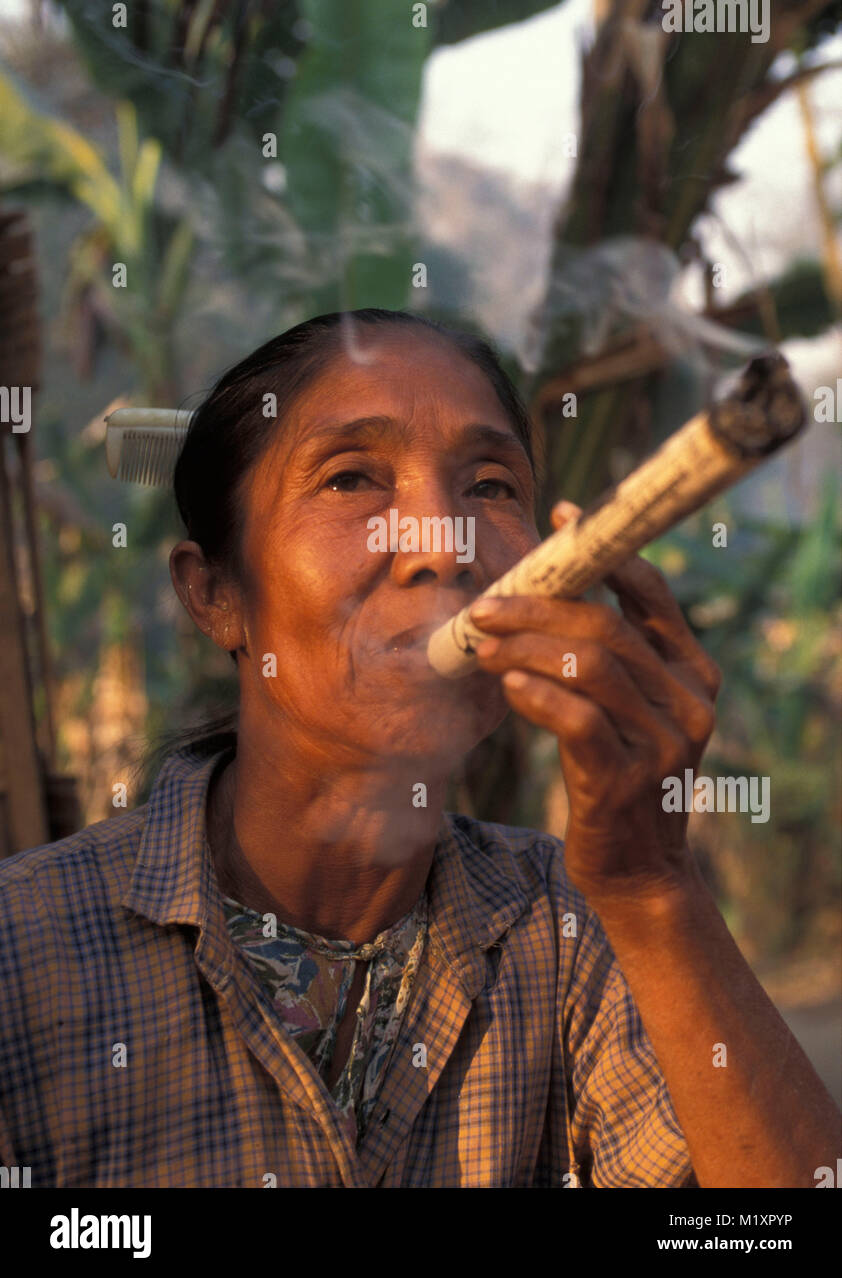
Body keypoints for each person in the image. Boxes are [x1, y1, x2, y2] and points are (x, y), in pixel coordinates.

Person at [0, 308, 838, 1188]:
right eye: (352, 478)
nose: (445, 545)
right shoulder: (25, 957)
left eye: (488, 487)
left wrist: (653, 893)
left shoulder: (574, 934)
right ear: (216, 596)